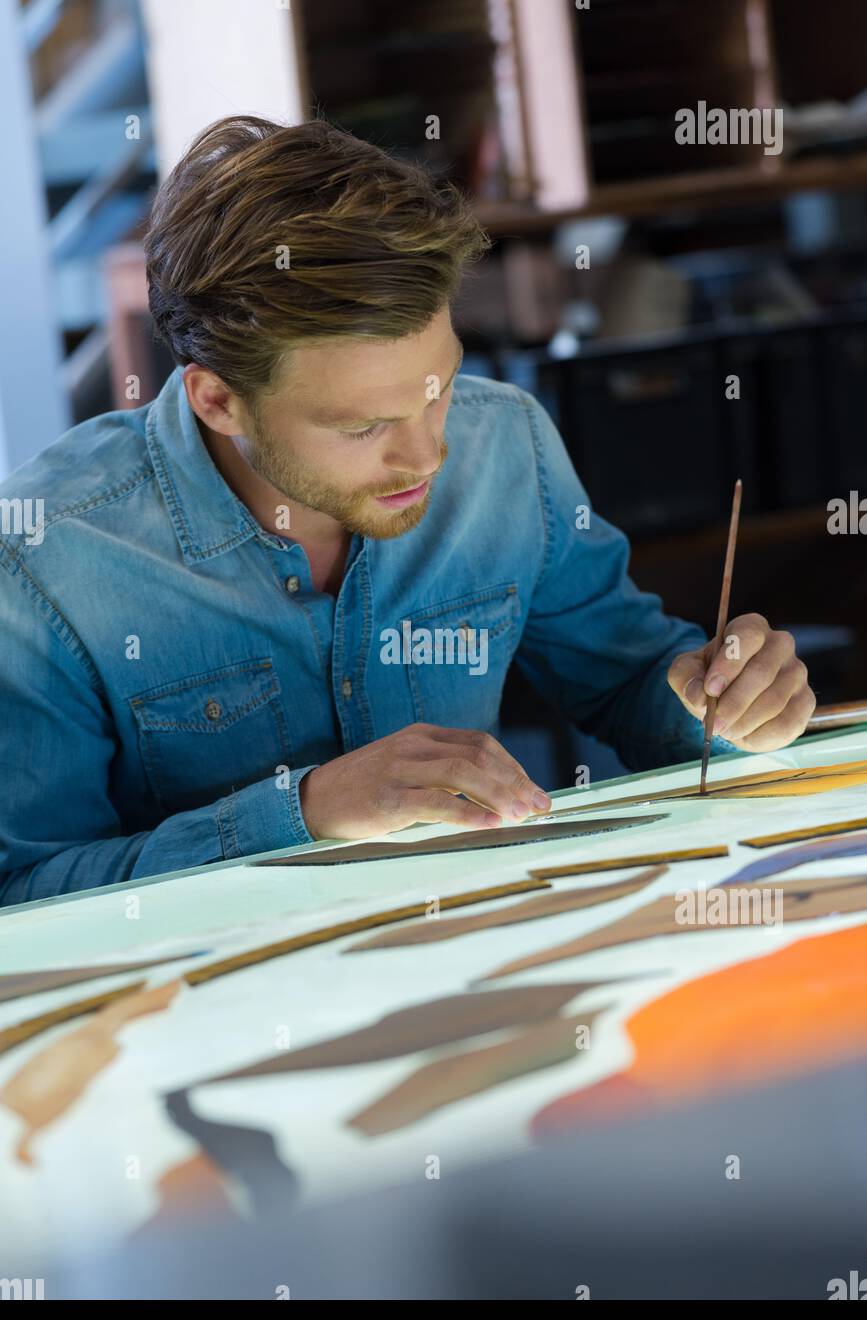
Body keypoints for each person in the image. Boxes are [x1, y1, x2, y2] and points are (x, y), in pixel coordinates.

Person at [0, 118, 814, 905]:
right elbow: (23, 895)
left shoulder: (506, 443)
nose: (428, 456)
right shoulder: (46, 559)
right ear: (218, 399)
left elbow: (625, 676)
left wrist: (717, 700)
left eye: (440, 389)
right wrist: (302, 813)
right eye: (362, 426)